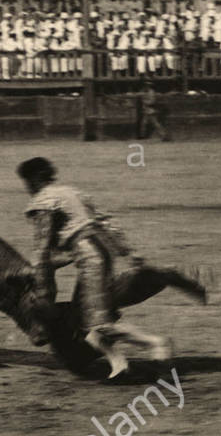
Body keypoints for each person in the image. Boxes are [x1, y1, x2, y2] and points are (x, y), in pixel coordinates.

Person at [17, 156, 171, 377]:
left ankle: (156, 343)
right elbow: (107, 222)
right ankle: (118, 365)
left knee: (97, 324)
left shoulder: (43, 200)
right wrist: (128, 252)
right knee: (87, 318)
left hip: (89, 257)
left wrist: (41, 284)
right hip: (102, 252)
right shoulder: (73, 193)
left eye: (27, 182)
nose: (27, 188)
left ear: (33, 179)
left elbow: (42, 247)